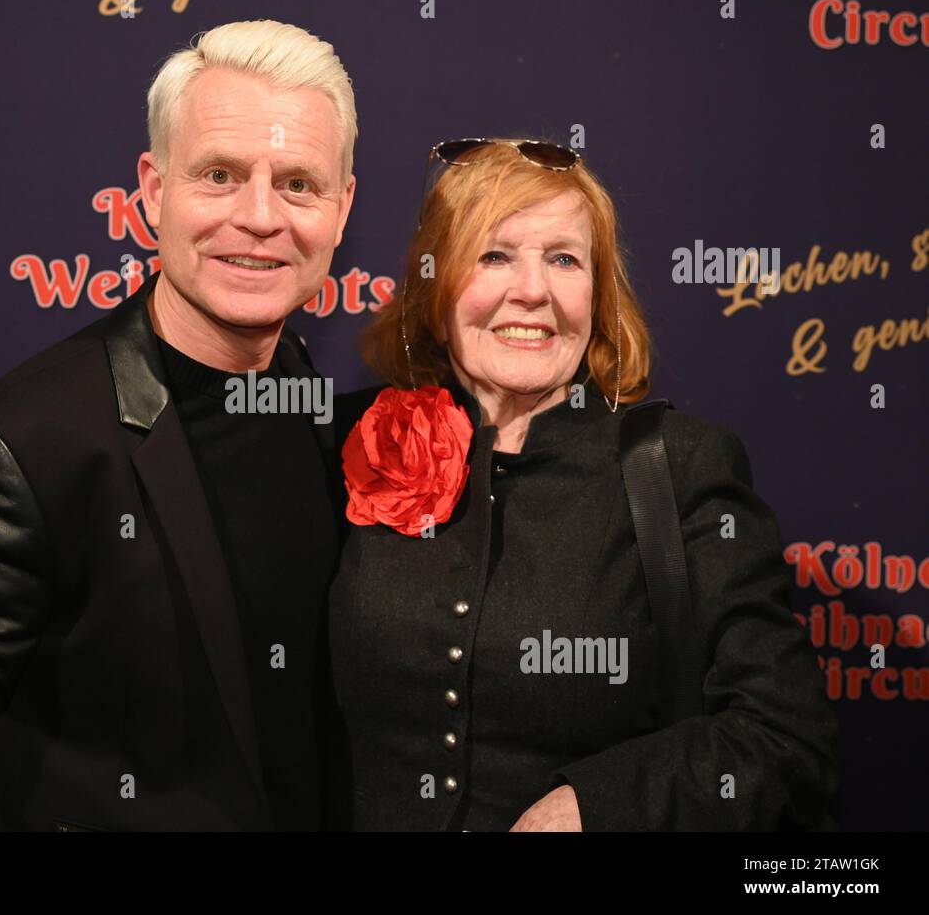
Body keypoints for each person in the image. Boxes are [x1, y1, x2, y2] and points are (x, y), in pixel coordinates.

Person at [0, 19, 357, 831]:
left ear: (342, 207)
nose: (259, 216)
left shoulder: (313, 401)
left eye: (298, 184)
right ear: (152, 188)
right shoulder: (20, 443)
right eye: (219, 174)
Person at [328, 138, 838, 831]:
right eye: (494, 255)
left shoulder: (679, 466)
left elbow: (784, 731)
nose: (532, 291)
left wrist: (589, 808)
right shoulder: (355, 440)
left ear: (598, 294)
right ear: (436, 283)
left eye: (564, 258)